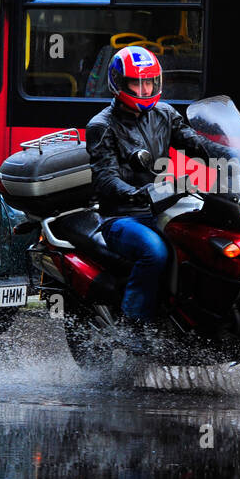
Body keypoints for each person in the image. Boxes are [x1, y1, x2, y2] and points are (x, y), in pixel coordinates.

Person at [85, 46, 223, 329]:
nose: (145, 89)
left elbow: (195, 144)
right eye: (137, 82)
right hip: (121, 216)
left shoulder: (164, 114)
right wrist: (137, 192)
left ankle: (189, 316)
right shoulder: (102, 126)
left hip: (162, 207)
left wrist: (233, 154)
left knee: (205, 239)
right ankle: (133, 326)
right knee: (154, 252)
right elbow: (105, 177)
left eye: (149, 82)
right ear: (119, 83)